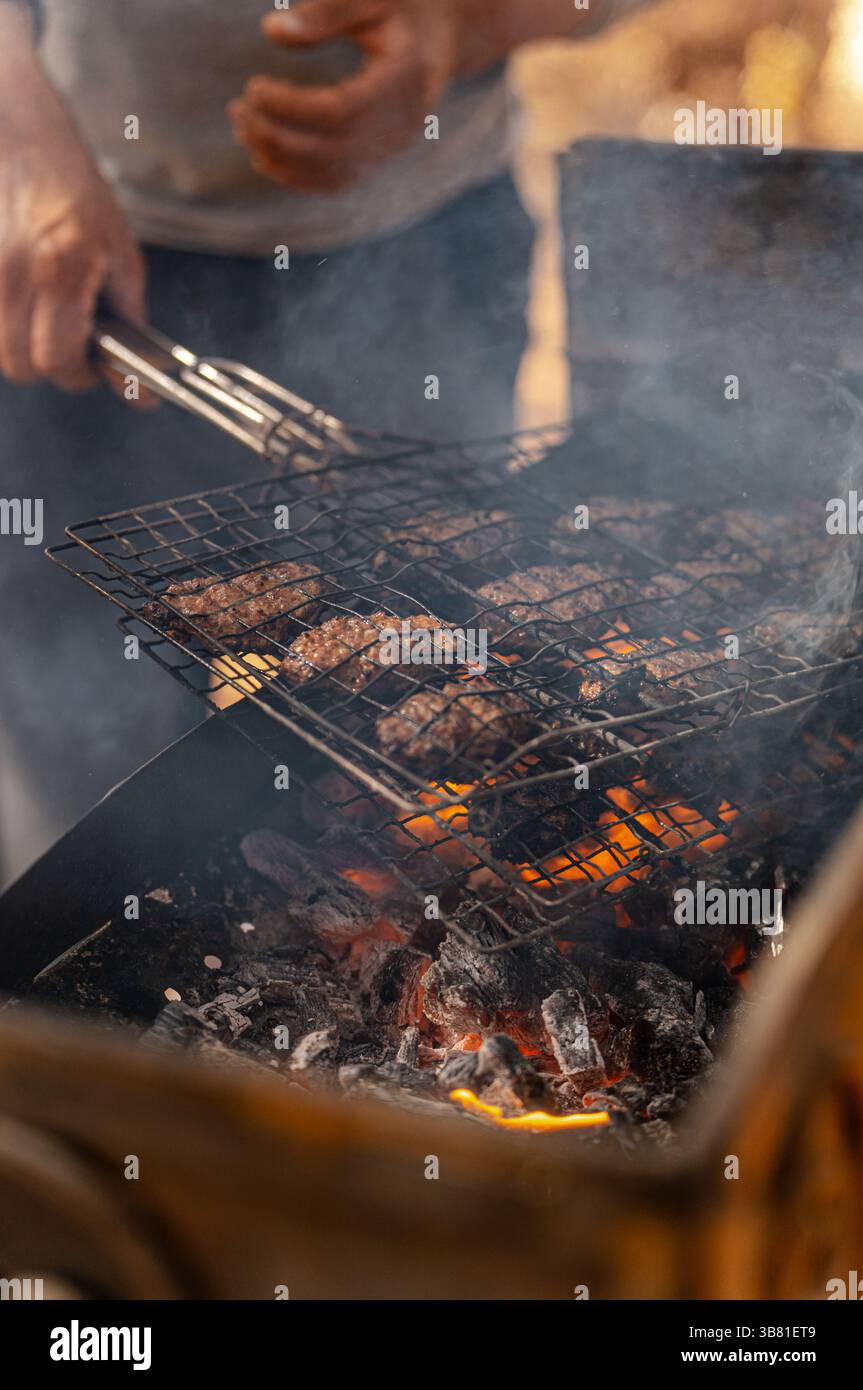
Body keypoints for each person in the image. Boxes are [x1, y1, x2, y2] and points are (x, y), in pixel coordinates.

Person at [0, 0, 644, 884]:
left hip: (424, 248)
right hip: (78, 237)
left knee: (423, 776)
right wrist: (17, 137)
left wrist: (466, 24)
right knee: (81, 766)